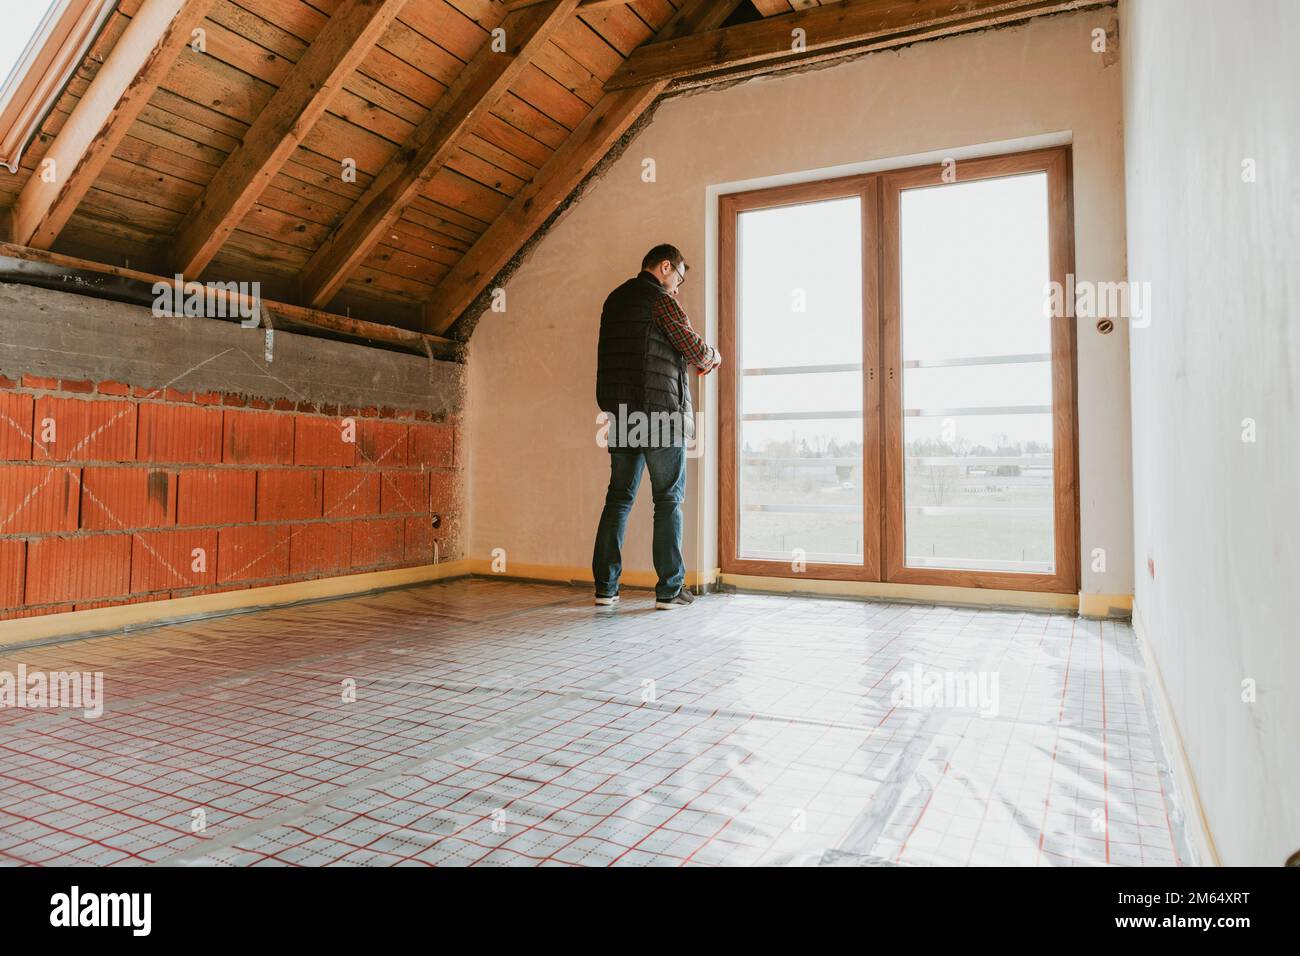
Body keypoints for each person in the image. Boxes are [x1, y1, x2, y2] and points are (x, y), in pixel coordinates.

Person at [592, 244, 721, 610]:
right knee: (667, 500)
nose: (677, 288)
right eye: (678, 278)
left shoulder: (614, 299)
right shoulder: (661, 301)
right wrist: (715, 357)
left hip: (620, 414)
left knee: (618, 499)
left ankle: (606, 588)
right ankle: (669, 590)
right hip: (661, 414)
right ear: (666, 267)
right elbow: (692, 347)